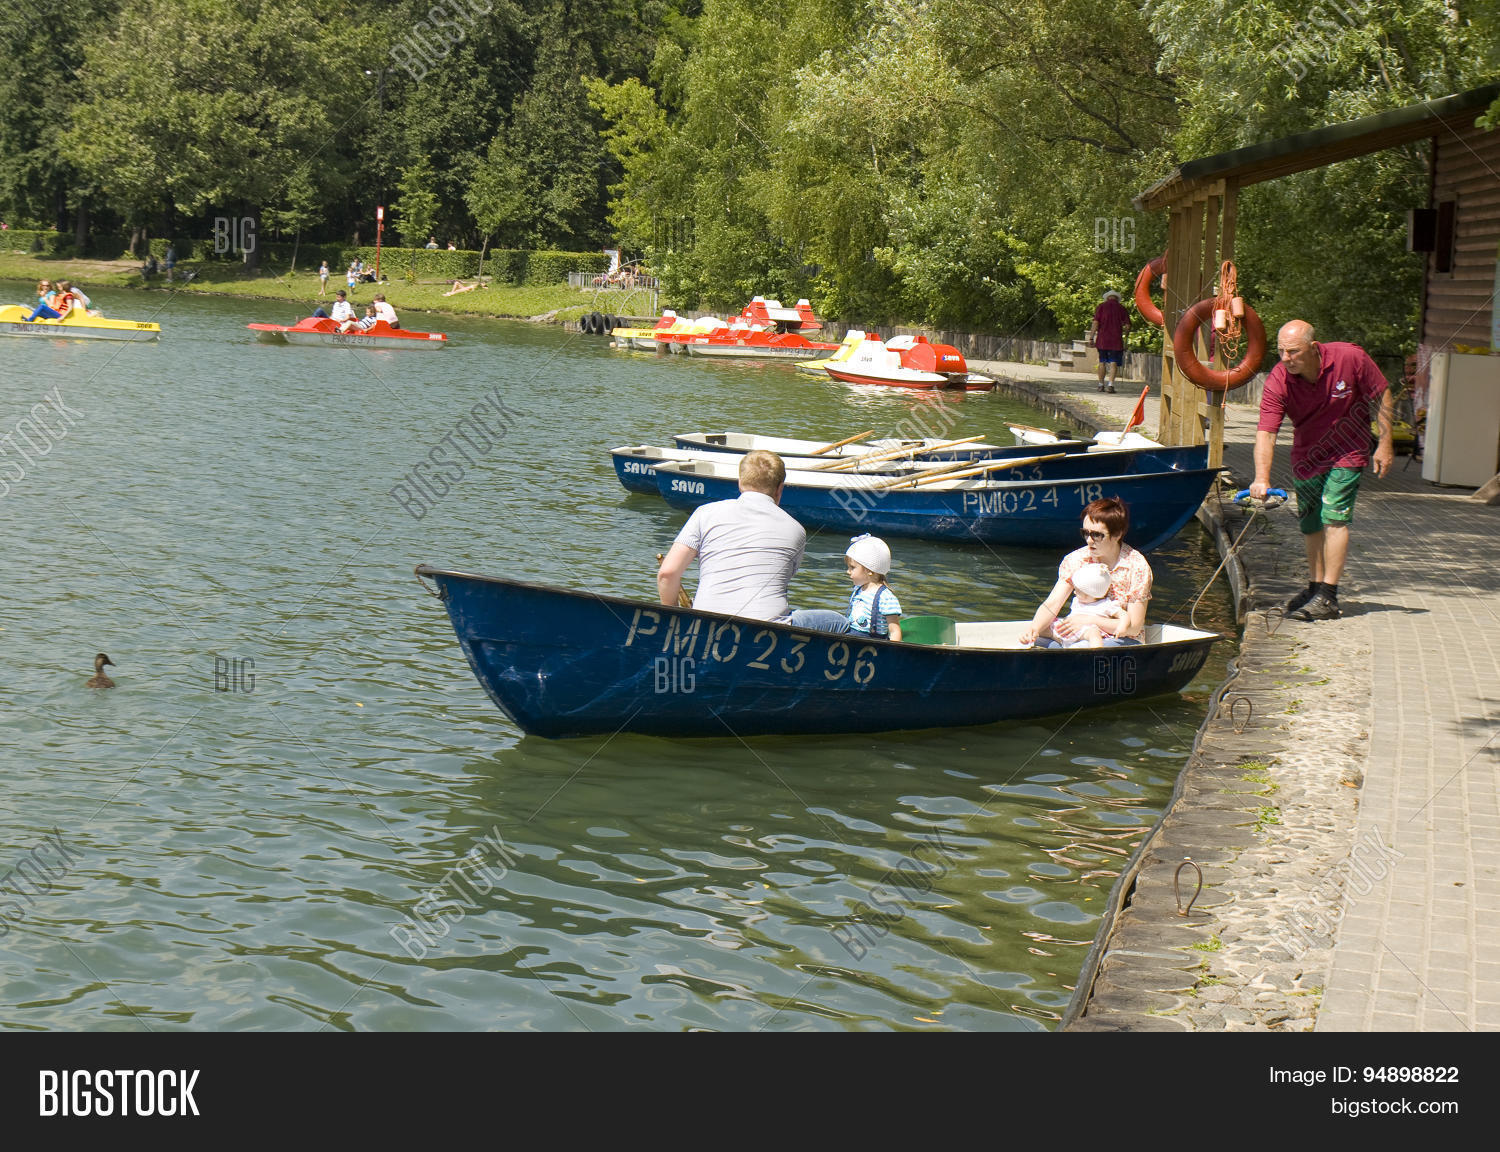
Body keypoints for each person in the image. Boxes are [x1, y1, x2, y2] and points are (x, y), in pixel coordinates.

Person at [1249, 320, 1394, 621]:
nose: (1286, 358)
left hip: (1348, 451)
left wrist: (1386, 443)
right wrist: (1261, 476)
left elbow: (1381, 395)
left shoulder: (1350, 358)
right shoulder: (1279, 379)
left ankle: (1328, 595)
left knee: (1334, 514)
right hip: (1307, 455)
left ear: (1313, 348)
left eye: (1293, 352)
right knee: (1310, 522)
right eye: (1281, 352)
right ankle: (1315, 587)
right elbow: (1266, 432)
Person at [656, 450, 848, 632]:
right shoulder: (796, 529)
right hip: (768, 629)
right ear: (780, 488)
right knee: (839, 623)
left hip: (705, 622)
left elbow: (667, 573)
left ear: (740, 482)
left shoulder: (705, 513)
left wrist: (674, 620)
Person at [1019, 497, 1152, 647]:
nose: (1089, 540)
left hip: (1121, 638)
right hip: (1080, 632)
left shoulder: (1137, 566)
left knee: (1080, 648)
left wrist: (1090, 620)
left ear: (1117, 534)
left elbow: (1134, 627)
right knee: (1032, 641)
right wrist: (1034, 629)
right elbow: (1053, 603)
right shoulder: (1077, 559)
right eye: (1085, 533)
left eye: (1097, 535)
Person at [843, 535, 902, 641]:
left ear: (869, 570)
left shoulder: (886, 597)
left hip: (873, 642)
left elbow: (895, 631)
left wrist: (892, 653)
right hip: (852, 636)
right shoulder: (858, 589)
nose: (848, 571)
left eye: (852, 567)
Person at [1055, 562, 1124, 648]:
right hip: (1069, 631)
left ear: (1089, 593)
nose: (1074, 592)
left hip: (1085, 632)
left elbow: (1124, 615)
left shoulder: (1106, 604)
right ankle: (1034, 635)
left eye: (1078, 591)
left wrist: (1122, 626)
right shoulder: (1077, 600)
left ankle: (1096, 652)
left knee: (1094, 633)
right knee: (1052, 624)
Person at [1090, 289, 1131, 393]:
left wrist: (1091, 337)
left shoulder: (1101, 307)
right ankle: (1111, 385)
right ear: (1117, 299)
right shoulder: (1122, 308)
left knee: (1102, 361)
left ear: (1107, 298)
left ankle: (1100, 385)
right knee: (1113, 362)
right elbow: (1127, 325)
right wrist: (1126, 334)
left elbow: (1095, 323)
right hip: (1116, 340)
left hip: (1102, 339)